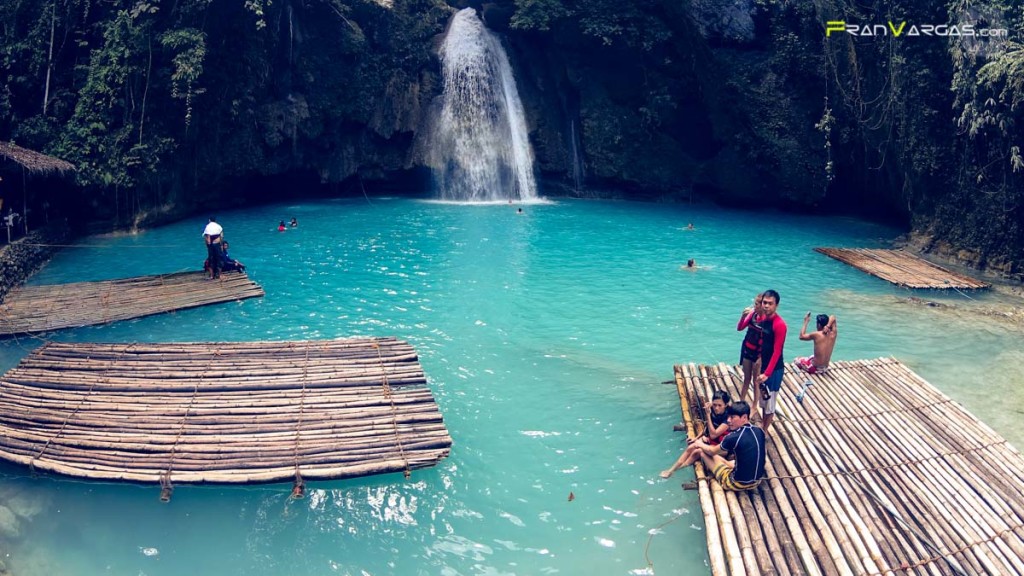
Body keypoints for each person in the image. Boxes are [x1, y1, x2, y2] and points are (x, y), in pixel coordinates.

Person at [690, 401, 766, 491]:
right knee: (724, 459)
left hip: (737, 483)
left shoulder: (733, 437)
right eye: (728, 417)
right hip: (757, 481)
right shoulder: (759, 430)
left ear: (744, 417)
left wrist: (700, 444)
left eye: (732, 417)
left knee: (703, 453)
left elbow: (712, 451)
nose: (729, 420)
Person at [661, 391, 731, 479]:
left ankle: (675, 470)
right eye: (714, 404)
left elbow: (714, 435)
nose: (716, 408)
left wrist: (708, 415)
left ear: (726, 405)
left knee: (696, 452)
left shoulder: (729, 418)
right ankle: (671, 470)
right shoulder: (713, 409)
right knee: (691, 447)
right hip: (711, 443)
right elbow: (707, 427)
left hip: (721, 449)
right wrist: (696, 438)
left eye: (720, 405)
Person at [755, 289, 787, 434]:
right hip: (765, 366)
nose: (766, 306)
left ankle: (765, 430)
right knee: (764, 400)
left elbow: (777, 351)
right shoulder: (764, 320)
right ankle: (763, 425)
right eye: (764, 303)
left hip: (774, 370)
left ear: (776, 305)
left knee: (770, 402)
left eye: (770, 303)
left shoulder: (780, 324)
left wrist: (767, 373)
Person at [735, 293, 764, 419]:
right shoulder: (752, 314)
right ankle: (741, 401)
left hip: (758, 353)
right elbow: (740, 328)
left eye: (757, 304)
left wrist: (761, 357)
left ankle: (754, 406)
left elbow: (769, 342)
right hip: (747, 349)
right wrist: (743, 316)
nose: (755, 306)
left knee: (756, 381)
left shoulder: (767, 320)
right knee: (746, 378)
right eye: (755, 303)